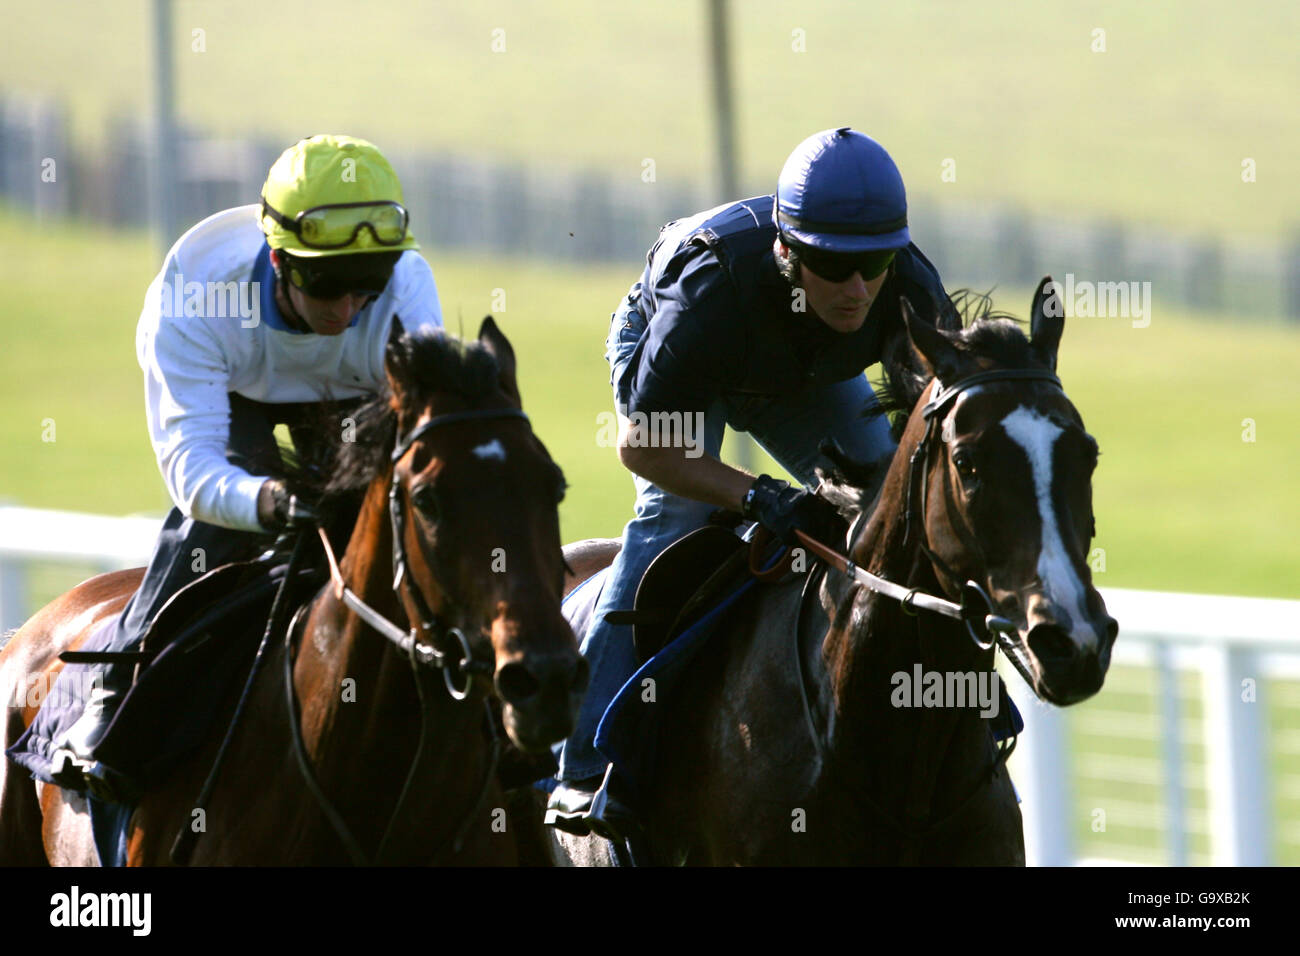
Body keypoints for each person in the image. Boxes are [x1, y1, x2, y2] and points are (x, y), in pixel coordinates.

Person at [546, 127, 959, 832]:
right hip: (681, 356)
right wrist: (752, 493)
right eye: (833, 266)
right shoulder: (709, 293)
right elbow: (642, 448)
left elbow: (939, 432)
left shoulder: (909, 286)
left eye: (876, 263)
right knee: (673, 519)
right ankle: (582, 763)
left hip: (801, 371)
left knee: (892, 497)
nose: (858, 289)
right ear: (787, 251)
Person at [22, 134, 443, 802]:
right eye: (327, 285)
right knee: (212, 543)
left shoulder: (404, 288)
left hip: (355, 394)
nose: (347, 309)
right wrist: (271, 502)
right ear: (278, 260)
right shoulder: (196, 295)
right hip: (235, 389)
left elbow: (431, 430)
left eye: (369, 284)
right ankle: (115, 702)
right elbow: (194, 473)